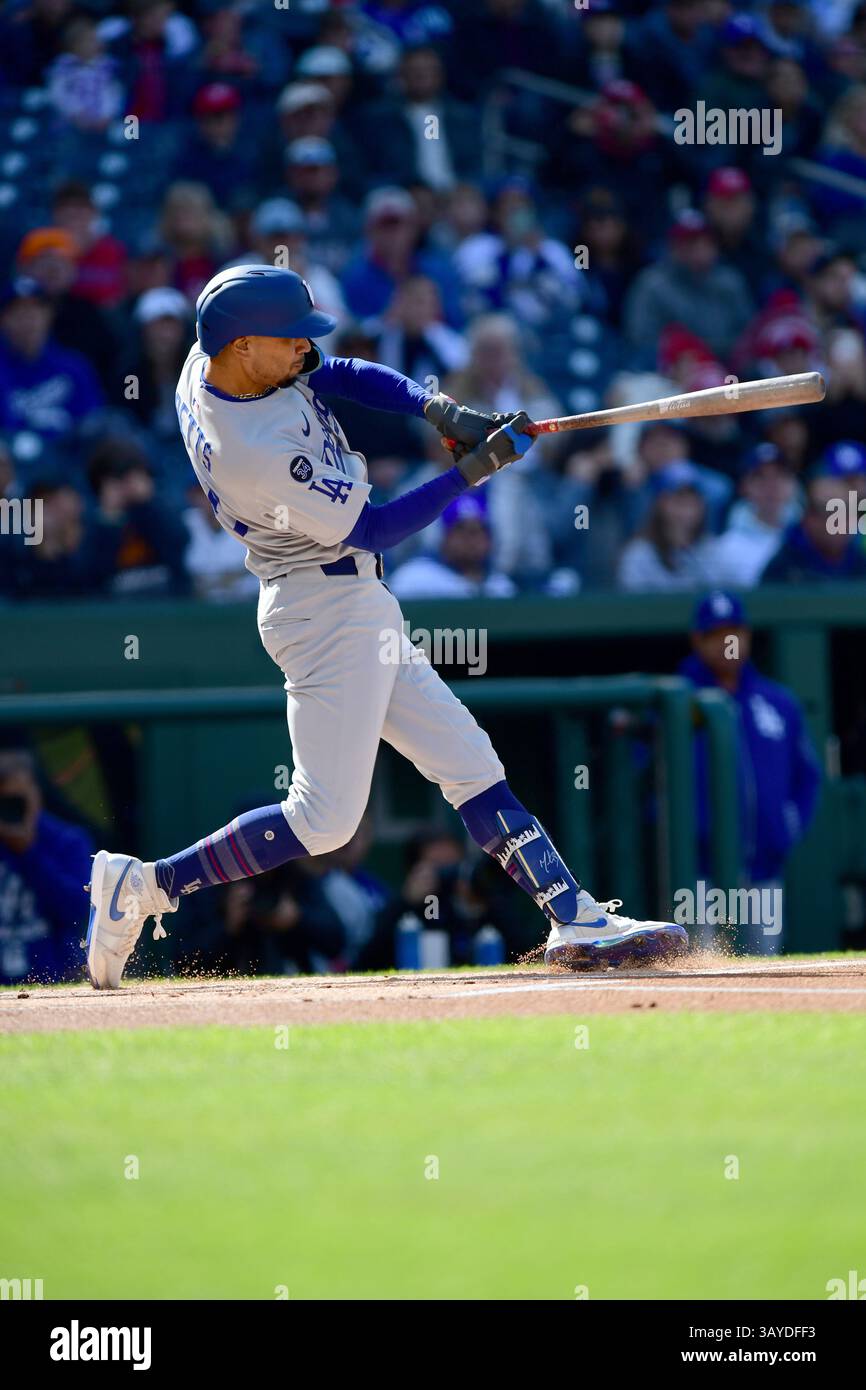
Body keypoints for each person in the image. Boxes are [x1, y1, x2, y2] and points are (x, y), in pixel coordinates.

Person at [84, 264, 688, 988]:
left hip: (343, 601)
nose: (303, 350)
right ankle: (146, 886)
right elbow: (373, 528)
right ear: (243, 345)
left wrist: (439, 410)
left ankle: (574, 917)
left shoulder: (213, 356)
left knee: (468, 761)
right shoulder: (255, 451)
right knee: (326, 819)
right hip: (325, 608)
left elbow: (334, 371)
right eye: (288, 339)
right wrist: (476, 471)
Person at [679, 591, 821, 953]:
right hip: (698, 875)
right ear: (698, 640)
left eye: (735, 633)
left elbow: (807, 776)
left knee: (763, 968)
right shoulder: (678, 700)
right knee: (701, 971)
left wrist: (786, 828)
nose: (728, 643)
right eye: (716, 634)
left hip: (762, 868)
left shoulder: (776, 702)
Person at [0, 750, 94, 985]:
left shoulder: (66, 840)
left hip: (54, 977)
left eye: (17, 800)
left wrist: (28, 852)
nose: (11, 809)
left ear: (35, 794)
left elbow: (77, 910)